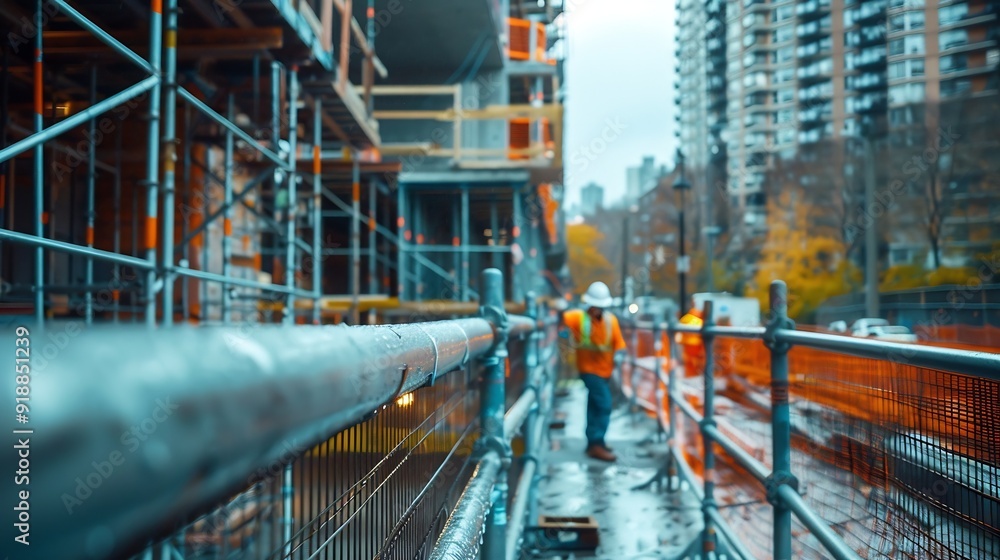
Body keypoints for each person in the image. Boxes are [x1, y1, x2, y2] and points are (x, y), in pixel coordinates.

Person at [561, 281, 627, 462]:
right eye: (594, 307)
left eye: (600, 307)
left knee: (594, 405)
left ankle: (594, 442)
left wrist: (619, 358)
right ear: (589, 305)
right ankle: (596, 444)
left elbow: (618, 344)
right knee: (605, 404)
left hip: (604, 371)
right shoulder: (578, 318)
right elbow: (561, 317)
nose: (596, 310)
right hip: (589, 371)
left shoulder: (610, 321)